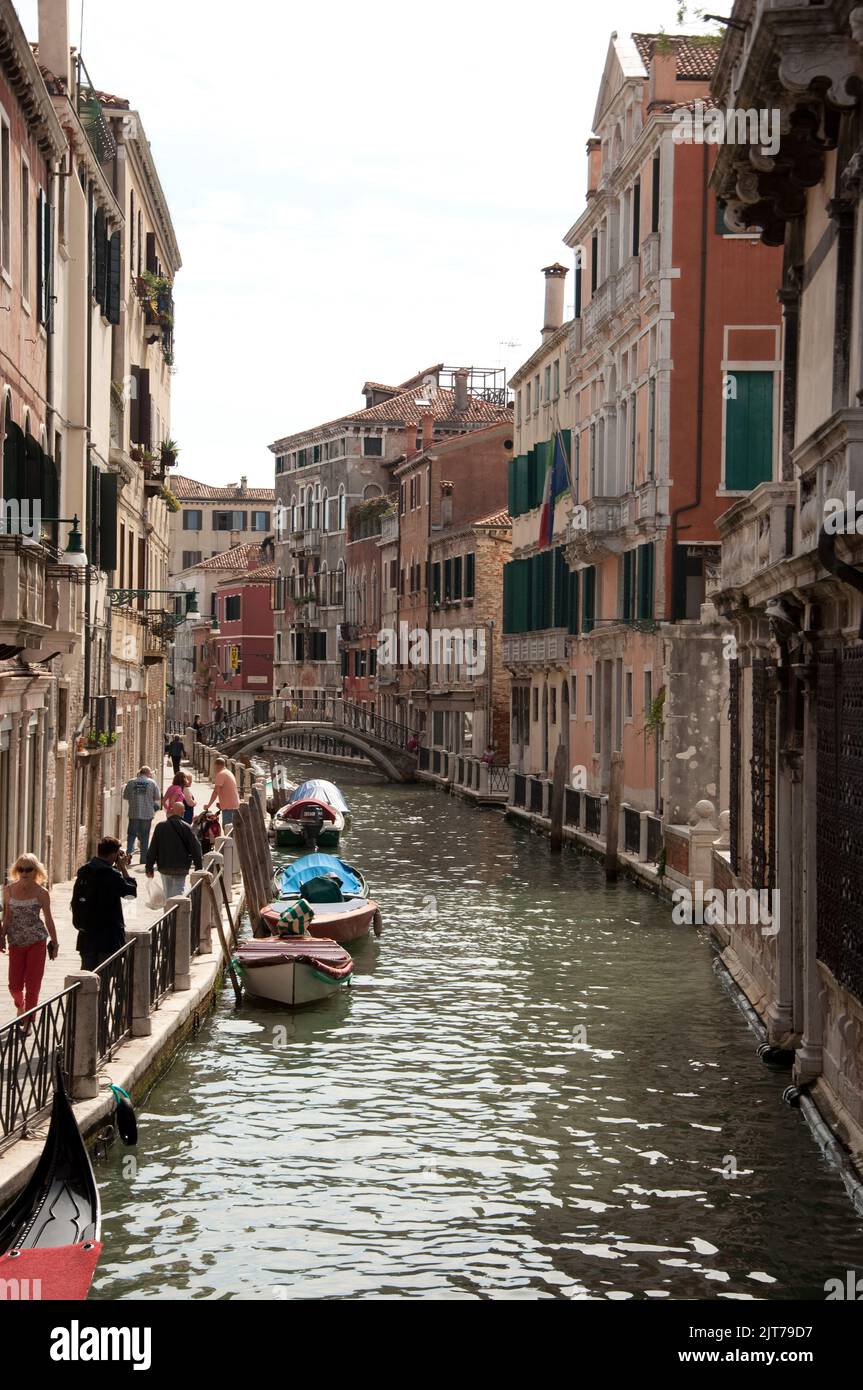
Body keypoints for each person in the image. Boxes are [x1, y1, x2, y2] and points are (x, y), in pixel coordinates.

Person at [0, 855, 59, 1022]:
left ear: (36, 871)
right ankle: (21, 1006)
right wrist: (2, 936)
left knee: (33, 986)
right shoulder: (9, 890)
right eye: (21, 869)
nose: (24, 872)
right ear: (16, 871)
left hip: (37, 942)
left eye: (28, 869)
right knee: (14, 987)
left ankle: (29, 1020)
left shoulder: (42, 893)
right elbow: (7, 917)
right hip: (15, 942)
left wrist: (55, 942)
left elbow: (48, 919)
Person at [71, 837, 137, 971]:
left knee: (87, 975)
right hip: (107, 937)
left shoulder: (84, 871)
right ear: (113, 854)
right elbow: (131, 893)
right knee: (105, 978)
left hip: (86, 935)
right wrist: (123, 868)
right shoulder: (112, 874)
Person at [146, 802, 203, 900]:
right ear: (183, 813)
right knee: (178, 892)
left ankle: (168, 914)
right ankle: (176, 913)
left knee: (167, 892)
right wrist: (198, 867)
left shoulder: (160, 827)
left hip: (165, 866)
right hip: (181, 867)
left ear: (172, 811)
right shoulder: (186, 827)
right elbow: (196, 848)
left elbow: (153, 848)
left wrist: (149, 867)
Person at [122, 765, 161, 863]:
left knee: (131, 834)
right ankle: (143, 859)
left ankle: (129, 854)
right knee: (145, 836)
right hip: (147, 814)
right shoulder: (152, 783)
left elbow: (125, 796)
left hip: (133, 813)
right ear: (148, 773)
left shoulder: (131, 782)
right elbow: (157, 797)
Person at [205, 757, 239, 830]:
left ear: (217, 766)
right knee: (232, 829)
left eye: (214, 767)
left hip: (228, 807)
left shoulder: (220, 774)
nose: (214, 769)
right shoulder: (228, 772)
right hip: (234, 805)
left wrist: (208, 805)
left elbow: (216, 791)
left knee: (227, 829)